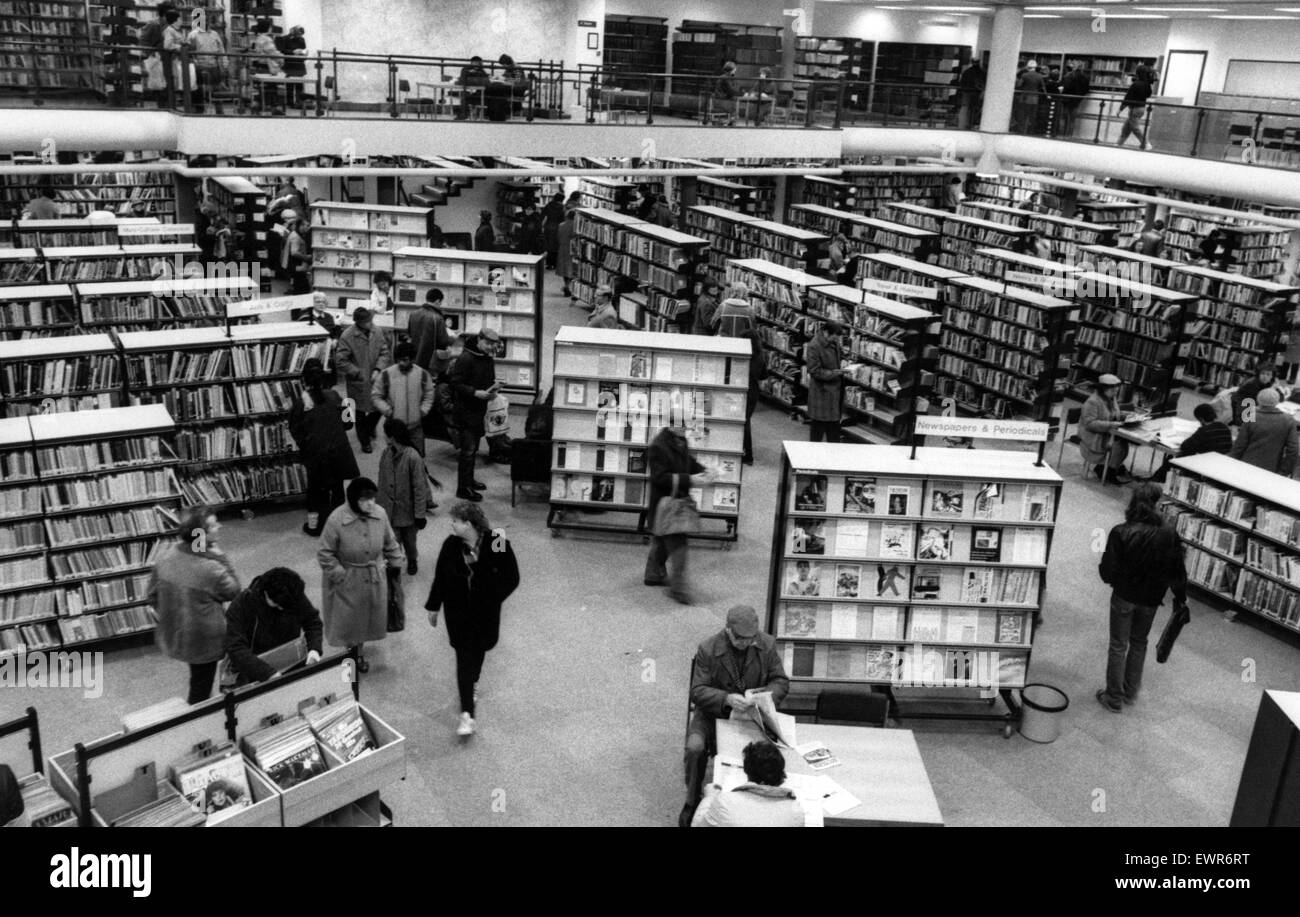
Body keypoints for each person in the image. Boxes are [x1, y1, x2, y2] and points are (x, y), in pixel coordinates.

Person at [680, 605, 790, 828]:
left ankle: (755, 799)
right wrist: (726, 699)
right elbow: (698, 691)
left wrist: (764, 697)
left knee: (771, 754)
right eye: (740, 638)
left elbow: (780, 681)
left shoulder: (766, 644)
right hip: (713, 714)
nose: (746, 643)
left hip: (752, 715)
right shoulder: (708, 649)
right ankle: (692, 800)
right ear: (728, 630)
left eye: (751, 638)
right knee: (694, 748)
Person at [425, 500, 520, 737]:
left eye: (456, 521)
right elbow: (441, 577)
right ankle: (467, 713)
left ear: (468, 524)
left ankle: (473, 681)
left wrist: (494, 597)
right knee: (464, 658)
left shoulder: (497, 539)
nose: (452, 525)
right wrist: (433, 607)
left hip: (486, 614)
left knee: (478, 652)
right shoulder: (451, 545)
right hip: (458, 614)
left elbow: (512, 576)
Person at [1096, 482, 1188, 713]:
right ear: (1157, 505)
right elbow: (1177, 569)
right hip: (1151, 599)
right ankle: (1130, 692)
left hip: (1124, 596)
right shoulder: (1170, 533)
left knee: (1118, 645)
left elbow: (1107, 570)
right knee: (1139, 642)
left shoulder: (1121, 531)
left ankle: (1113, 697)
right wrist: (1180, 596)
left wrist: (1114, 581)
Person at [147, 505, 242, 704]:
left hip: (177, 632)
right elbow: (233, 590)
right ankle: (198, 717)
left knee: (198, 677)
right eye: (214, 525)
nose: (220, 527)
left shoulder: (165, 556)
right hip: (203, 640)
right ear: (200, 534)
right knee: (201, 686)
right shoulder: (210, 568)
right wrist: (220, 556)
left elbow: (152, 594)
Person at [317, 477, 405, 674]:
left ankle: (360, 653)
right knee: (349, 624)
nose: (371, 503)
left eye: (372, 498)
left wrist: (396, 563)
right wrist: (340, 575)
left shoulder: (380, 514)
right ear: (353, 499)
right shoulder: (336, 519)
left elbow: (390, 542)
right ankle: (351, 658)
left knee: (365, 621)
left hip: (374, 578)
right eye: (365, 499)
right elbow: (324, 553)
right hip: (348, 578)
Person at [645, 421, 714, 604]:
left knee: (662, 537)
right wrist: (690, 480)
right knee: (678, 544)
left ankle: (653, 573)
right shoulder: (657, 447)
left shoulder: (680, 440)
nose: (686, 428)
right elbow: (660, 478)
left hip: (673, 502)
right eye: (682, 424)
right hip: (667, 503)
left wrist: (704, 471)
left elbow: (688, 462)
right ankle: (679, 588)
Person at [289, 358, 359, 535]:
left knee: (316, 490)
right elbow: (349, 423)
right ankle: (338, 527)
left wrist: (307, 443)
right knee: (337, 489)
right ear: (324, 377)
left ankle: (315, 526)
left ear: (304, 379)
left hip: (316, 454)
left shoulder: (300, 403)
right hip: (339, 452)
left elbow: (294, 429)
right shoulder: (335, 395)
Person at [223, 568, 324, 687]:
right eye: (277, 605)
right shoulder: (241, 606)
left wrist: (314, 650)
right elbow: (236, 648)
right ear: (265, 592)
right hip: (254, 675)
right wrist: (268, 674)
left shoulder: (292, 594)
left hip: (292, 665)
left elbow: (312, 621)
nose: (282, 608)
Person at [692, 740, 803, 828]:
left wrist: (709, 797)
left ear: (746, 770)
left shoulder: (725, 802)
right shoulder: (795, 810)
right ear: (781, 774)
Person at [447, 329, 502, 501]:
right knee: (468, 451)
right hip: (466, 411)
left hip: (479, 410)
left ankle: (469, 481)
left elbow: (489, 380)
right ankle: (463, 489)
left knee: (474, 449)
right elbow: (455, 383)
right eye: (487, 344)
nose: (490, 348)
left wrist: (493, 390)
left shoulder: (487, 358)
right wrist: (475, 393)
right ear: (479, 340)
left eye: (493, 345)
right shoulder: (466, 358)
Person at [377, 419, 431, 577]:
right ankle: (394, 565)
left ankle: (412, 559)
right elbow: (382, 482)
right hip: (390, 513)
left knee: (410, 542)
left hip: (409, 513)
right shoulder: (386, 454)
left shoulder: (413, 457)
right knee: (392, 543)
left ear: (392, 437)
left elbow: (420, 488)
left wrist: (420, 515)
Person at [334, 306, 392, 453]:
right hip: (358, 381)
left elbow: (385, 353)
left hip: (376, 378)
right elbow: (341, 361)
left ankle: (369, 427)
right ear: (358, 322)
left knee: (379, 407)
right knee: (359, 412)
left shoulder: (377, 331)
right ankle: (364, 441)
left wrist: (378, 369)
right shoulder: (347, 336)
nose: (370, 323)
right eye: (367, 322)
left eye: (371, 320)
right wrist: (358, 373)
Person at [715, 295, 763, 465]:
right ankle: (746, 453)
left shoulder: (744, 357)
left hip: (743, 390)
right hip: (753, 391)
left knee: (742, 421)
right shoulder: (759, 355)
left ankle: (747, 454)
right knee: (745, 420)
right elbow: (763, 374)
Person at [372, 341, 435, 457]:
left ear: (412, 359)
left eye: (405, 360)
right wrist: (388, 411)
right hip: (394, 427)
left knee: (417, 458)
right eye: (398, 359)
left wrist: (423, 410)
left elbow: (429, 394)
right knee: (396, 459)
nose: (401, 363)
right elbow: (376, 395)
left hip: (416, 427)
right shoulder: (386, 374)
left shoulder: (423, 375)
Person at [1149, 403, 1233, 483]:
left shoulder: (1204, 430)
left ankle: (1158, 478)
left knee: (1174, 457)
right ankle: (1159, 478)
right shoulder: (1225, 428)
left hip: (1205, 465)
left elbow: (1185, 446)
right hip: (1220, 464)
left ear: (1201, 419)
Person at [1230, 388, 1298, 476]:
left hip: (1246, 465)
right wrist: (1284, 471)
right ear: (1277, 402)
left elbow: (1239, 446)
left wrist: (1230, 463)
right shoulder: (1288, 421)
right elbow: (1293, 450)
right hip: (1272, 469)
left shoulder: (1251, 417)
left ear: (1258, 401)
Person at [1079, 373, 1133, 484]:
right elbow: (1090, 423)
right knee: (1118, 446)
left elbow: (1112, 414)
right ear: (1104, 388)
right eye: (1113, 388)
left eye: (1116, 388)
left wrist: (1126, 415)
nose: (1116, 391)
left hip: (1105, 432)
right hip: (1093, 436)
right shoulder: (1092, 402)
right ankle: (1106, 470)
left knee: (1123, 443)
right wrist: (1110, 424)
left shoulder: (1110, 398)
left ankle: (1109, 469)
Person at [806, 321, 849, 443]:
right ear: (826, 332)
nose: (836, 340)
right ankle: (812, 459)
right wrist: (836, 373)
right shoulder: (814, 346)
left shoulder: (833, 341)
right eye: (834, 337)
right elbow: (814, 371)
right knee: (817, 429)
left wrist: (844, 361)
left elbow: (841, 354)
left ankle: (833, 457)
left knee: (834, 428)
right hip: (822, 392)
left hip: (835, 391)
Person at [406, 288, 455, 379]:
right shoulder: (437, 318)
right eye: (440, 303)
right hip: (430, 361)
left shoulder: (413, 314)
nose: (440, 305)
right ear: (437, 301)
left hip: (414, 358)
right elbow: (444, 341)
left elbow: (409, 333)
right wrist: (453, 338)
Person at [140, 3, 175, 110]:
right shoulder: (153, 24)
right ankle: (163, 109)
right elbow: (143, 40)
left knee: (169, 86)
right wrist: (150, 54)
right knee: (160, 87)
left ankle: (169, 108)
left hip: (169, 59)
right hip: (159, 59)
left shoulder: (170, 25)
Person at [249, 19, 285, 115]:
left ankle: (257, 105)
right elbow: (272, 52)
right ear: (268, 27)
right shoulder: (266, 39)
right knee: (271, 86)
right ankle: (273, 107)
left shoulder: (258, 38)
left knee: (263, 87)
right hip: (266, 67)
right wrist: (281, 59)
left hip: (259, 66)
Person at [1232, 360, 1285, 424]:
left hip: (1254, 407)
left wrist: (1276, 388)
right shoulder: (1252, 383)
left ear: (1272, 376)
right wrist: (1271, 389)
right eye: (1262, 373)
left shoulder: (1270, 383)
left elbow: (1281, 399)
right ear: (1259, 374)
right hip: (1244, 406)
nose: (1265, 376)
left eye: (1268, 374)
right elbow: (1261, 401)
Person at [1117, 66, 1153, 150]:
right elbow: (1148, 94)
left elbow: (1128, 97)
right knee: (1126, 128)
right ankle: (1118, 144)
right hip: (1141, 108)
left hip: (1134, 109)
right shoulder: (1147, 84)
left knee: (1135, 128)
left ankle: (1146, 143)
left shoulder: (1135, 84)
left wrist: (1120, 109)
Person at [276, 25, 307, 109]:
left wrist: (304, 52)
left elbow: (304, 49)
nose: (300, 36)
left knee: (299, 85)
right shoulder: (285, 39)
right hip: (289, 63)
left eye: (301, 35)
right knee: (289, 85)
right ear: (294, 32)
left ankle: (299, 102)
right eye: (298, 34)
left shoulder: (301, 39)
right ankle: (290, 103)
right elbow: (282, 50)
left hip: (299, 64)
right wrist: (293, 52)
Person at [1013, 61, 1045, 134]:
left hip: (1024, 98)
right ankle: (1030, 132)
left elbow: (1018, 85)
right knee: (1032, 116)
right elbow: (1043, 88)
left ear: (1028, 67)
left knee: (1023, 116)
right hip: (1035, 99)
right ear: (1035, 67)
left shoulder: (1024, 75)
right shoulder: (1039, 76)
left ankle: (1022, 131)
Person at [456, 56, 491, 120]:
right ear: (473, 62)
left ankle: (465, 115)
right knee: (465, 97)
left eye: (480, 63)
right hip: (467, 90)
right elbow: (463, 79)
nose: (480, 64)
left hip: (478, 92)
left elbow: (486, 79)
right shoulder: (466, 69)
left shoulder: (481, 70)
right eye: (479, 63)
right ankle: (463, 115)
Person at [1060, 61, 1090, 137]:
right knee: (1072, 120)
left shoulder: (1067, 76)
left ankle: (1062, 135)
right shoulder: (1084, 77)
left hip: (1066, 100)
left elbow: (1064, 87)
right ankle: (1069, 136)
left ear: (1073, 67)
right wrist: (1080, 97)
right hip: (1076, 100)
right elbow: (1086, 90)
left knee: (1064, 118)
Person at [283, 218, 310, 294]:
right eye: (306, 226)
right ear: (301, 226)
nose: (308, 228)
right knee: (303, 288)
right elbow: (294, 252)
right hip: (296, 266)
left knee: (299, 287)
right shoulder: (296, 237)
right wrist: (307, 257)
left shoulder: (295, 234)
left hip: (294, 266)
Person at [957, 58, 985, 130]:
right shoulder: (981, 72)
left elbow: (962, 83)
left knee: (965, 109)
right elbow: (982, 84)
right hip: (976, 93)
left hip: (966, 93)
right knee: (974, 110)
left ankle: (963, 126)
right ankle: (972, 124)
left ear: (972, 62)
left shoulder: (967, 72)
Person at [542, 192, 565, 269]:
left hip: (548, 227)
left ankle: (548, 264)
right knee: (555, 246)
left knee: (548, 246)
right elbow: (563, 218)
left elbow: (543, 215)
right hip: (557, 227)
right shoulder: (562, 207)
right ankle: (554, 264)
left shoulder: (549, 205)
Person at [556, 208, 575, 298]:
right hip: (572, 249)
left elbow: (558, 237)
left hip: (562, 248)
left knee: (564, 269)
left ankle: (566, 285)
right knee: (571, 268)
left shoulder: (561, 225)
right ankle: (568, 286)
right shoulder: (575, 226)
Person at [712, 61, 739, 125]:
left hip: (719, 100)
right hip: (722, 101)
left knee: (734, 99)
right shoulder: (726, 78)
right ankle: (731, 119)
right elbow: (731, 90)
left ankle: (731, 119)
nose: (735, 70)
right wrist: (740, 93)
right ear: (731, 69)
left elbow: (734, 89)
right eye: (735, 68)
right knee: (734, 99)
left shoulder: (726, 77)